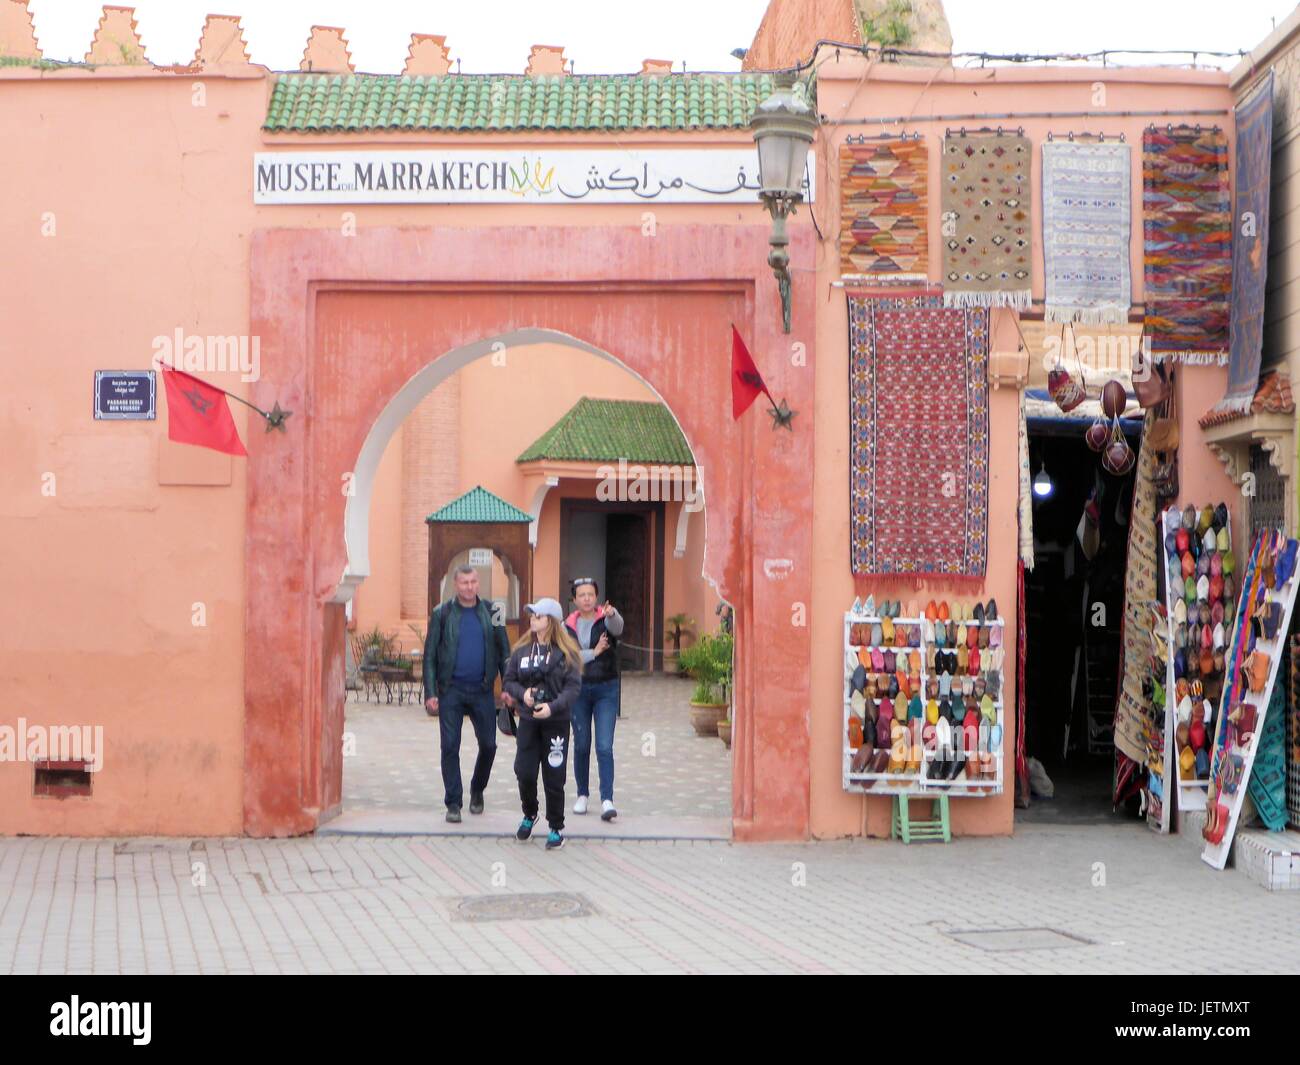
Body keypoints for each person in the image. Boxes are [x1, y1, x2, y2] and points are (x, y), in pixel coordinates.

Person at [423, 565, 511, 823]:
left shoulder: (493, 612)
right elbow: (429, 655)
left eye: (473, 582)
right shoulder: (442, 613)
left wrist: (508, 687)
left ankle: (477, 789)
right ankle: (453, 802)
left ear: (478, 584)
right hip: (451, 690)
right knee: (450, 746)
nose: (469, 587)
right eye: (464, 583)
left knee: (490, 745)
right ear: (455, 584)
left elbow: (504, 652)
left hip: (482, 690)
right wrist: (430, 691)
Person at [504, 598, 583, 850]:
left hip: (556, 723)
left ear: (551, 621)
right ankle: (530, 813)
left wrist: (552, 706)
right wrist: (522, 694)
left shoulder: (567, 654)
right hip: (528, 722)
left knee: (554, 776)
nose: (533, 619)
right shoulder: (522, 651)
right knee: (524, 771)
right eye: (532, 616)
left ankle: (556, 827)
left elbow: (573, 689)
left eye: (538, 616)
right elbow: (509, 681)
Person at [565, 578, 624, 821]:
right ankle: (582, 795)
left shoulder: (606, 619)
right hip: (578, 690)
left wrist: (613, 614)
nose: (587, 598)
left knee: (603, 745)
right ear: (575, 600)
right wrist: (594, 653)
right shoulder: (566, 626)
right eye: (582, 595)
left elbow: (618, 628)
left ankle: (607, 799)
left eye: (591, 594)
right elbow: (567, 658)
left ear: (596, 597)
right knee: (581, 744)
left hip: (606, 690)